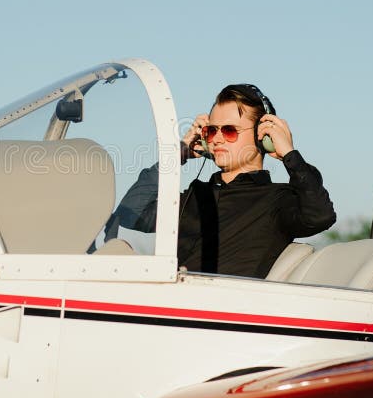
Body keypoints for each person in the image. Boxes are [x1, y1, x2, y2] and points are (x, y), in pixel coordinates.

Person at [105, 84, 336, 278]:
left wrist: (289, 155)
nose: (217, 139)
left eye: (229, 130)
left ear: (262, 136)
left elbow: (320, 216)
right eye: (211, 131)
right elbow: (129, 215)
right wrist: (178, 155)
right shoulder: (195, 197)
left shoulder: (276, 200)